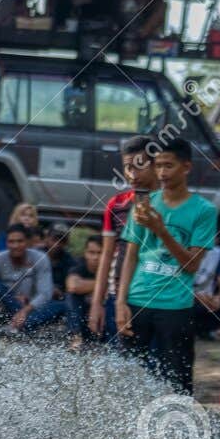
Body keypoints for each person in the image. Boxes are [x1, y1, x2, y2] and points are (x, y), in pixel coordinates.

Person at [116, 136, 218, 393]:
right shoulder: (144, 203)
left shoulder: (204, 210)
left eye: (168, 166)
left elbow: (192, 265)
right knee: (127, 378)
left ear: (186, 167)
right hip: (138, 299)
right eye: (158, 165)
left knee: (178, 381)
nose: (161, 172)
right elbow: (130, 255)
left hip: (175, 305)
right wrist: (120, 302)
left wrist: (161, 230)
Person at [90, 135, 158, 341]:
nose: (132, 174)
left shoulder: (170, 205)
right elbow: (107, 254)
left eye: (138, 166)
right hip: (117, 293)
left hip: (156, 295)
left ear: (156, 164)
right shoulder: (117, 204)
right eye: (127, 168)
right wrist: (96, 303)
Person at [0, 223, 65, 335]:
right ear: (6, 243)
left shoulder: (41, 259)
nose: (15, 245)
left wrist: (24, 311)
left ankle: (18, 325)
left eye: (20, 241)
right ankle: (19, 325)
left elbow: (45, 294)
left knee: (62, 305)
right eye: (11, 242)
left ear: (28, 242)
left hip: (31, 307)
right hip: (8, 304)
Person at [65, 235, 104, 342]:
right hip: (82, 313)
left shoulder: (113, 268)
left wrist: (88, 287)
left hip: (103, 313)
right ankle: (76, 335)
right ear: (85, 253)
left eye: (100, 253)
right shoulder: (80, 264)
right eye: (91, 252)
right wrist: (104, 284)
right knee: (71, 296)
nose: (95, 257)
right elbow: (73, 286)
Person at [192, 243, 220, 337]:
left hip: (208, 298)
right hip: (185, 297)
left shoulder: (218, 254)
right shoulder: (181, 248)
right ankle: (212, 331)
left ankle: (209, 331)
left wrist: (218, 298)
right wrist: (196, 296)